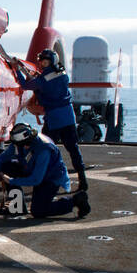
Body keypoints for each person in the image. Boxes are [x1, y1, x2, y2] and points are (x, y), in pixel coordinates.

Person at [16, 48, 88, 190]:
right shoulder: (62, 74)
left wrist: (16, 70)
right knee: (73, 149)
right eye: (42, 62)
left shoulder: (42, 80)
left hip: (54, 119)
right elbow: (46, 83)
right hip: (68, 117)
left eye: (45, 62)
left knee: (44, 148)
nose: (43, 64)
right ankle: (82, 179)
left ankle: (39, 178)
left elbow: (25, 85)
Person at [0, 123, 91, 219]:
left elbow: (36, 179)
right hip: (30, 168)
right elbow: (4, 156)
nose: (20, 148)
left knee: (39, 210)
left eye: (23, 146)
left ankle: (75, 201)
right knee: (6, 167)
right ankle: (17, 207)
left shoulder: (43, 150)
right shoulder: (20, 142)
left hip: (50, 178)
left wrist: (10, 181)